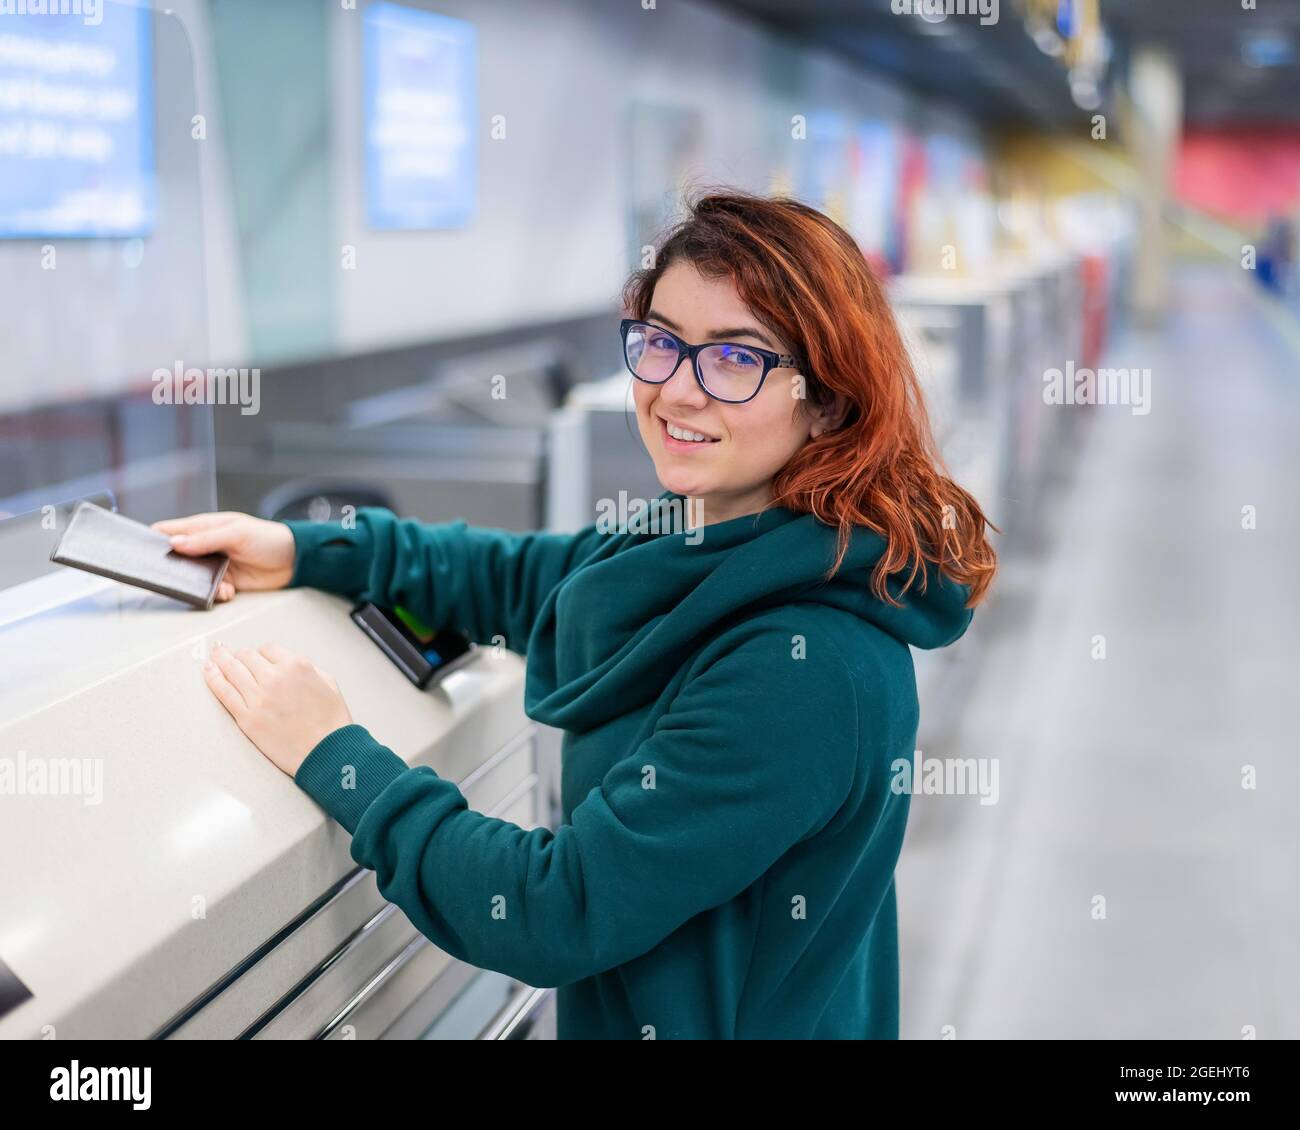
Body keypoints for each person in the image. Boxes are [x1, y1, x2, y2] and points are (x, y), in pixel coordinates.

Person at [157, 191, 997, 1039]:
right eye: (661, 344)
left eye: (736, 359)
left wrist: (334, 753)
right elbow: (537, 581)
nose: (677, 391)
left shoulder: (804, 665)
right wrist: (308, 551)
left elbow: (555, 910)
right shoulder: (714, 535)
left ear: (826, 397)